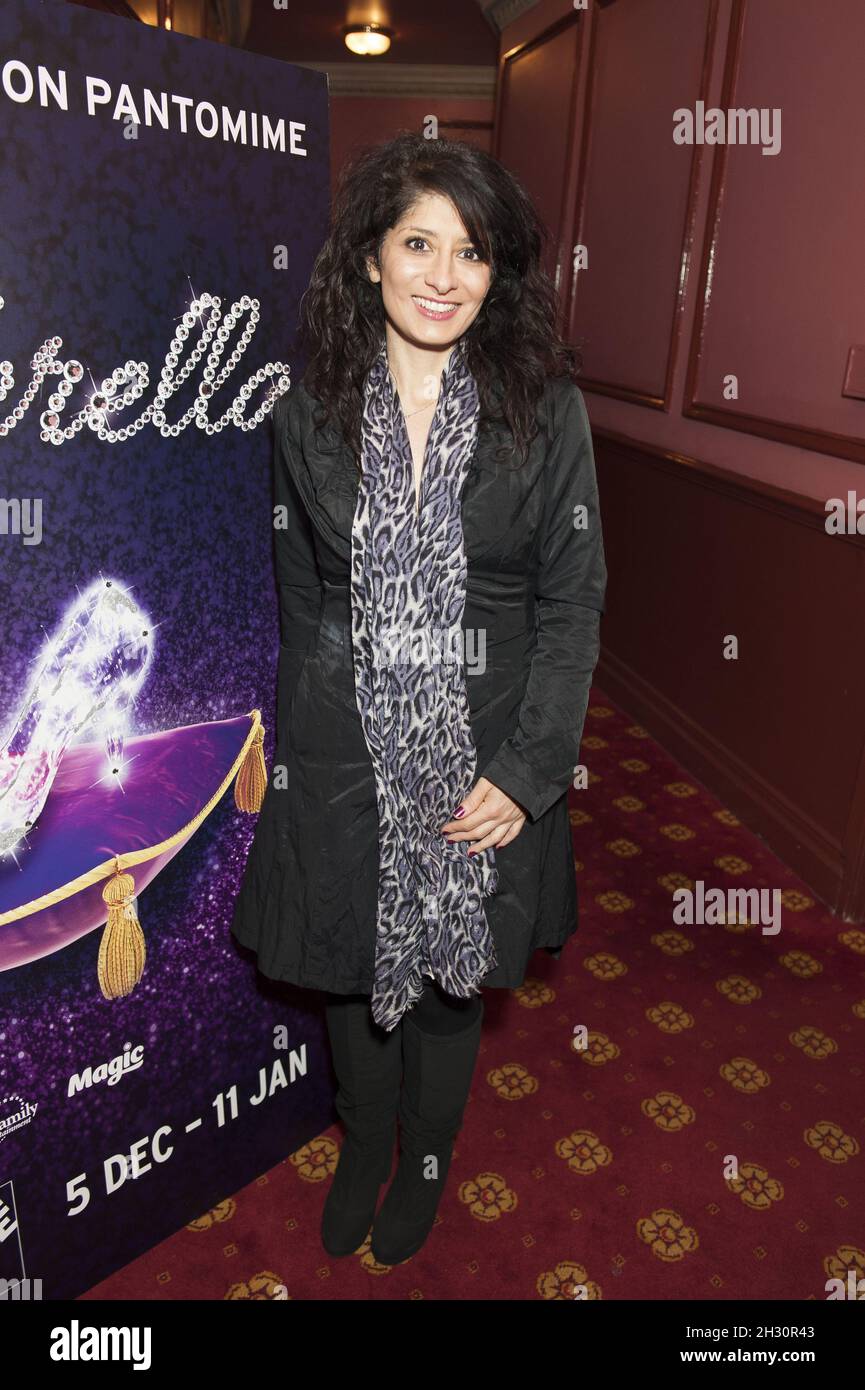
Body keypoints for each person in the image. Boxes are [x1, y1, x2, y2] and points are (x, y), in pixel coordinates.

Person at [230, 131, 607, 1267]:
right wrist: (305, 752)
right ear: (367, 260)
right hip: (346, 747)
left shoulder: (543, 408)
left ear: (499, 275)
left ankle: (428, 1159)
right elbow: (303, 593)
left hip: (487, 753)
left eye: (474, 253)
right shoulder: (306, 414)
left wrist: (530, 772)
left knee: (452, 982)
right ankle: (363, 1142)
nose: (444, 276)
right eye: (418, 244)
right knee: (350, 964)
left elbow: (571, 601)